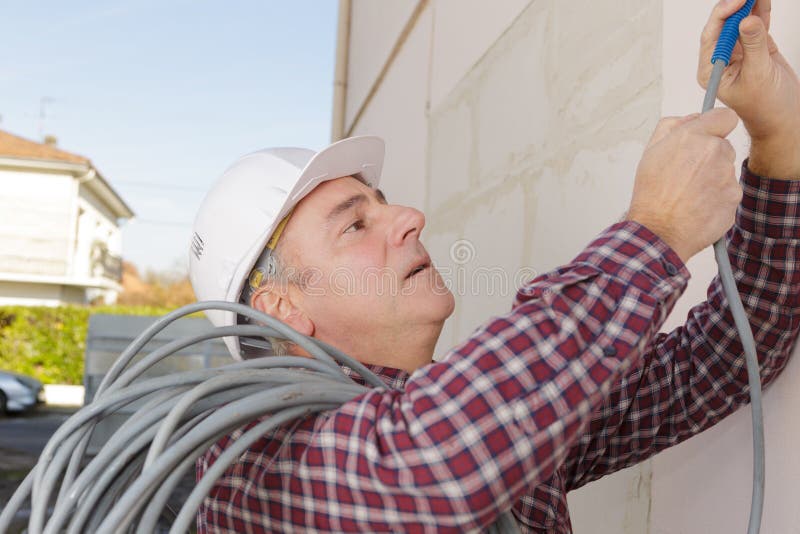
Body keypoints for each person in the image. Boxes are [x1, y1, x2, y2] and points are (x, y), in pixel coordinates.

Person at [189, 0, 800, 531]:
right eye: (356, 224)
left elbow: (729, 356)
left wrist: (777, 138)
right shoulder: (246, 461)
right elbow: (428, 470)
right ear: (282, 309)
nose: (408, 216)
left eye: (382, 202)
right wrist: (654, 233)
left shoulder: (492, 423)